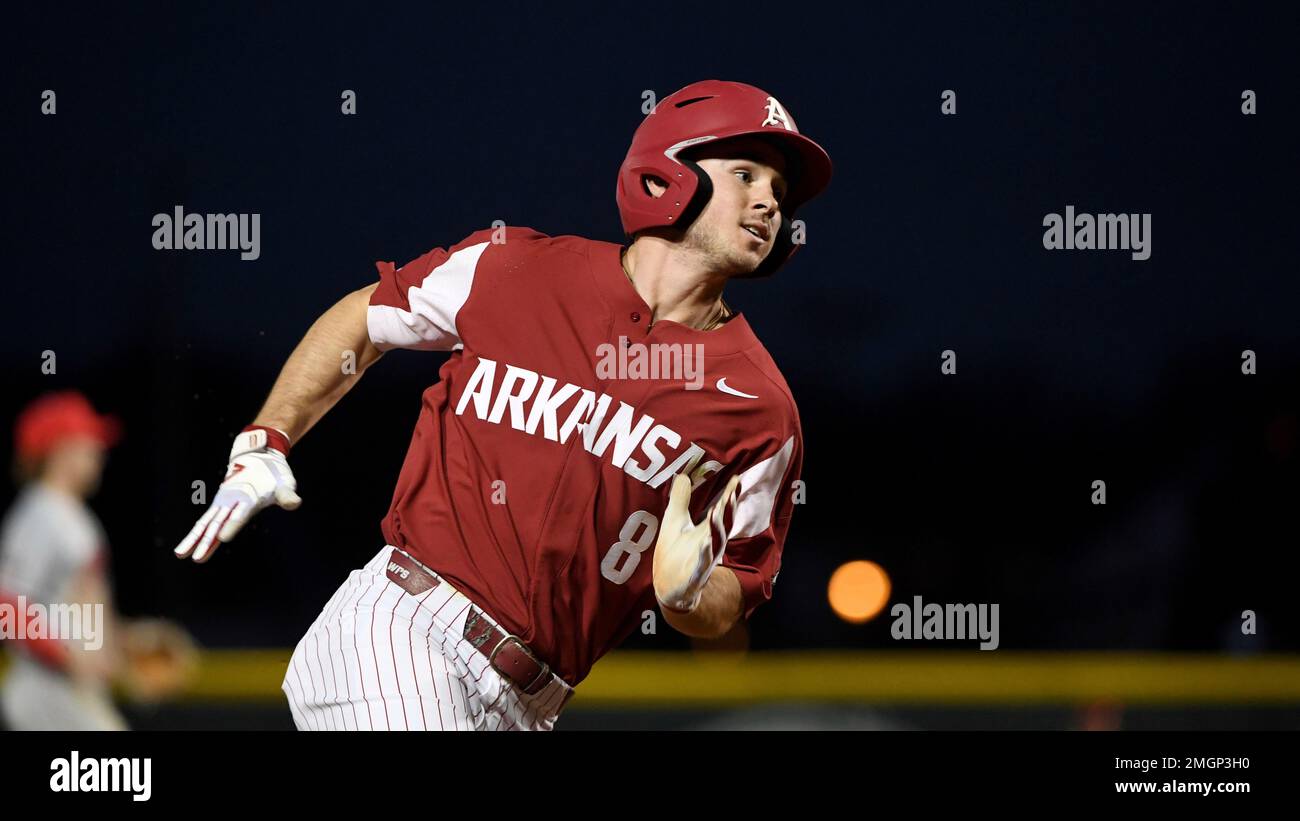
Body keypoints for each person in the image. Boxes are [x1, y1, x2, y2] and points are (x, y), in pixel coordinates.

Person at [174, 79, 833, 731]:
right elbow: (364, 319)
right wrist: (268, 436)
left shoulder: (760, 408)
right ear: (666, 175)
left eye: (779, 190)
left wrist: (689, 595)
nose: (768, 202)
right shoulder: (515, 268)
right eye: (746, 173)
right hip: (401, 632)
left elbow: (737, 585)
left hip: (530, 706)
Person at [0, 391, 127, 730]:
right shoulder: (41, 513)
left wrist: (120, 646)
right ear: (60, 450)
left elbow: (73, 607)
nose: (100, 452)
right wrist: (69, 658)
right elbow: (6, 608)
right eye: (90, 442)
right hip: (46, 687)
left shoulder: (72, 515)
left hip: (69, 690)